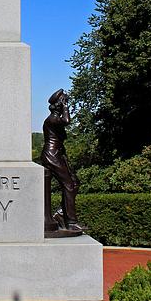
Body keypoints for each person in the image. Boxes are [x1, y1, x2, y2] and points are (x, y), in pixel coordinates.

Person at [40, 89, 83, 233]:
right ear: (58, 104)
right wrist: (65, 107)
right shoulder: (52, 119)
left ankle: (60, 213)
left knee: (75, 182)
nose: (66, 104)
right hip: (51, 155)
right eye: (64, 101)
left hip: (58, 154)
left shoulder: (55, 118)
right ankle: (71, 222)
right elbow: (67, 121)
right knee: (69, 185)